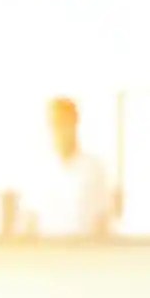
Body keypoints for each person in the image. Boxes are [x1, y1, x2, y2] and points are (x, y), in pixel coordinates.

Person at [15, 98, 114, 237]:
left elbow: (102, 220)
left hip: (85, 253)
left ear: (75, 122)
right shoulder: (37, 170)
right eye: (55, 123)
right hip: (45, 253)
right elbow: (29, 221)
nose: (60, 129)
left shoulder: (94, 169)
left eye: (65, 122)